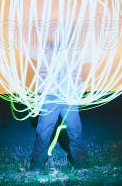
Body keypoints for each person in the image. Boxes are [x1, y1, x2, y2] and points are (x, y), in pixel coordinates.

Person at [29, 37, 88, 171]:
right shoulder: (47, 52)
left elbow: (77, 74)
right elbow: (41, 73)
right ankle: (37, 165)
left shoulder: (73, 53)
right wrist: (42, 93)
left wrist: (77, 92)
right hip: (51, 97)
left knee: (75, 131)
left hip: (69, 97)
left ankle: (81, 164)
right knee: (44, 132)